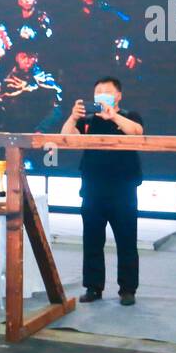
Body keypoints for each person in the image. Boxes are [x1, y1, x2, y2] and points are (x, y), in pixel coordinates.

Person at [61, 76, 144, 306]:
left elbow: (137, 132)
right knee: (92, 240)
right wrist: (73, 116)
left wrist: (113, 115)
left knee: (126, 241)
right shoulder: (87, 120)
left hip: (123, 189)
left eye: (106, 92)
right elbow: (66, 137)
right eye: (97, 92)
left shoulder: (129, 115)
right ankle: (93, 287)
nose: (101, 96)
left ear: (118, 95)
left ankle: (127, 289)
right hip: (92, 188)